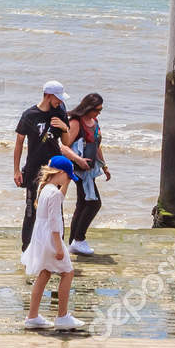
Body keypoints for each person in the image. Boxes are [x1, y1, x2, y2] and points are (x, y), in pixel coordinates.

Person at [12, 80, 87, 250]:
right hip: (34, 169)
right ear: (47, 95)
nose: (60, 101)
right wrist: (16, 170)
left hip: (55, 169)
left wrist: (64, 128)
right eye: (57, 98)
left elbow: (66, 143)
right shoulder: (29, 115)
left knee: (55, 208)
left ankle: (56, 248)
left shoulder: (59, 111)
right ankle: (27, 249)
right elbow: (18, 143)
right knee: (32, 210)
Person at [21, 155, 84, 331]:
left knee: (45, 273)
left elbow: (59, 199)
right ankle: (62, 316)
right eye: (68, 176)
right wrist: (59, 248)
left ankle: (32, 317)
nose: (69, 180)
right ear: (61, 173)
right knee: (68, 273)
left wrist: (67, 182)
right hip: (51, 239)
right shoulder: (53, 194)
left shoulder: (46, 189)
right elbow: (55, 223)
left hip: (40, 237)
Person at [65, 93, 110, 255]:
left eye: (101, 110)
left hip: (90, 169)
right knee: (93, 203)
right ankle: (79, 239)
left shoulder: (95, 122)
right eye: (97, 110)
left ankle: (74, 242)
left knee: (83, 203)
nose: (99, 113)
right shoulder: (76, 122)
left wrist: (104, 166)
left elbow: (97, 146)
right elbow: (64, 146)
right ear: (88, 108)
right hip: (78, 169)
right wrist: (78, 160)